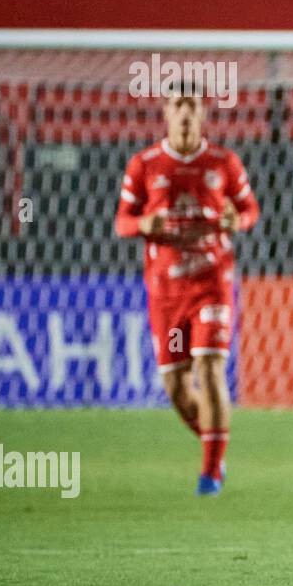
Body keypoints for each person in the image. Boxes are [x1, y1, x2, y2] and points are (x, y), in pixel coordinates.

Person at [115, 83, 259, 495]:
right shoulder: (144, 165)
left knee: (210, 369)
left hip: (212, 284)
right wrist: (143, 225)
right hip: (165, 291)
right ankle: (216, 447)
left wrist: (238, 221)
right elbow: (122, 221)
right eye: (177, 105)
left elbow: (249, 209)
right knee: (176, 387)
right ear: (165, 112)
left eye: (191, 105)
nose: (184, 113)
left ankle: (210, 474)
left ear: (202, 113)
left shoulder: (223, 162)